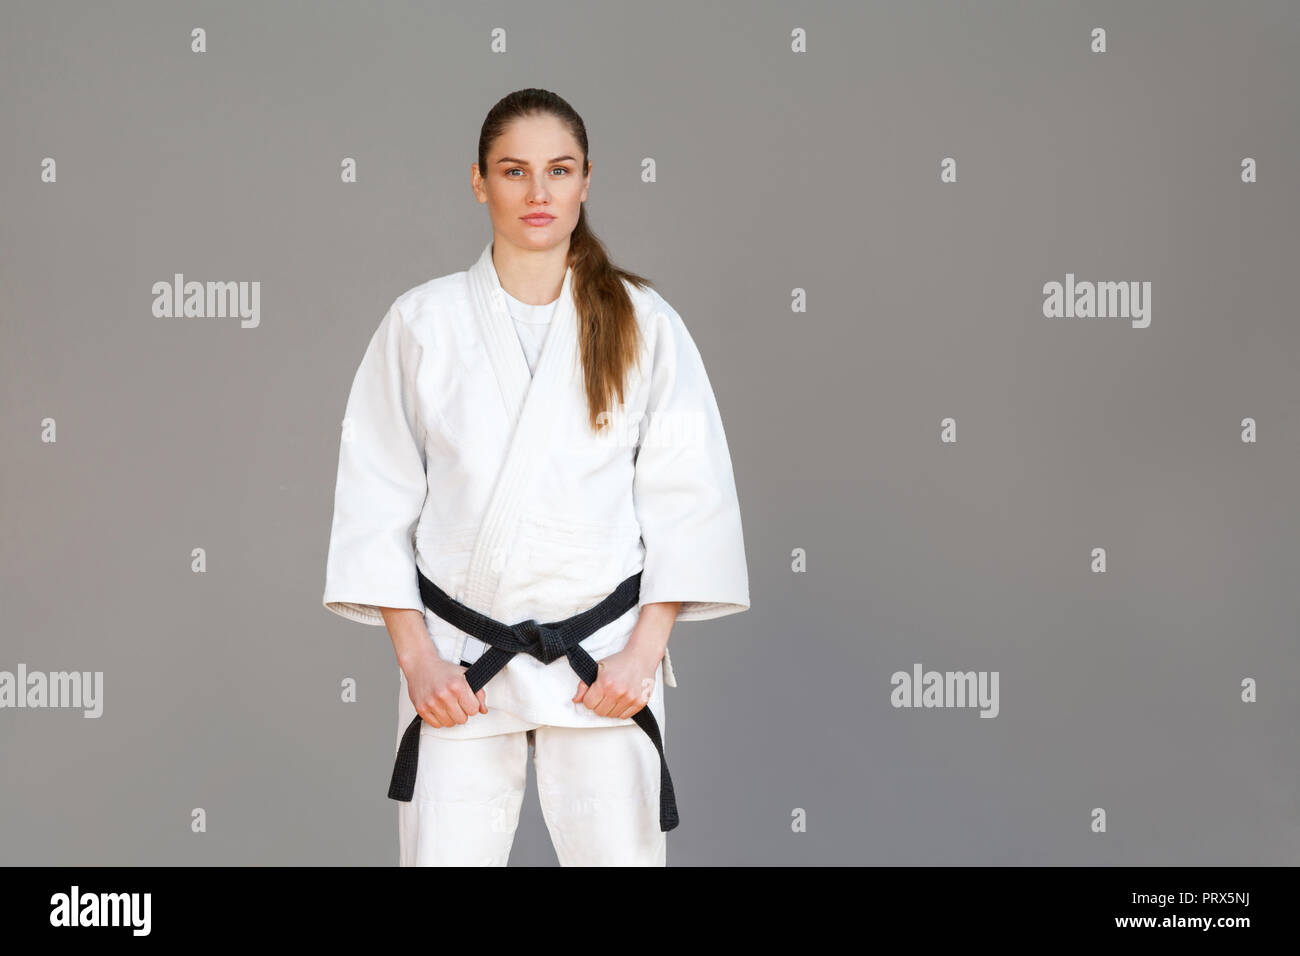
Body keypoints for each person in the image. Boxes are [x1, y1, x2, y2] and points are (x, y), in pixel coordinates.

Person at [322, 88, 749, 866]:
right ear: (479, 182)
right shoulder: (423, 322)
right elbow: (375, 494)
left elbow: (690, 500)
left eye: (559, 170)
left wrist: (642, 656)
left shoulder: (644, 322)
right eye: (514, 171)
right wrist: (417, 660)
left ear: (587, 180)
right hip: (459, 663)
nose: (539, 192)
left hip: (605, 661)